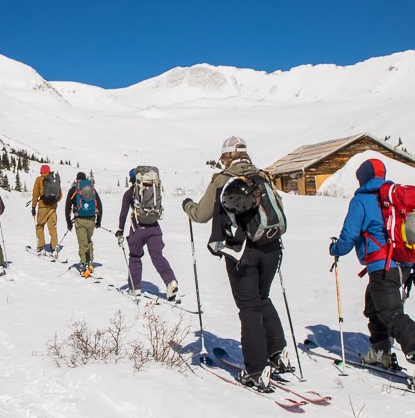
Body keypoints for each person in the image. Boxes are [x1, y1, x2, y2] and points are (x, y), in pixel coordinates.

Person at [183, 136, 290, 391]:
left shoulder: (222, 180)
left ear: (226, 156)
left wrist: (187, 206)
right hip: (272, 248)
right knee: (262, 298)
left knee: (249, 307)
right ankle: (277, 352)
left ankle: (255, 369)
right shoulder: (262, 177)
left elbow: (201, 214)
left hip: (243, 253)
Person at [328, 158, 415, 385]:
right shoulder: (395, 199)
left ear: (362, 178)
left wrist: (335, 249)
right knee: (373, 306)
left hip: (383, 266)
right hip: (404, 265)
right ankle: (381, 353)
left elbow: (350, 235)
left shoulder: (362, 200)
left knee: (391, 314)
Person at [116, 168, 179, 300]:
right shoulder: (153, 190)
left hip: (137, 229)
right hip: (154, 228)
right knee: (157, 256)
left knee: (135, 257)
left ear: (132, 179)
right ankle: (170, 281)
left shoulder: (129, 193)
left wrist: (120, 230)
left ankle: (135, 288)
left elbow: (123, 213)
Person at [64, 172, 103, 276]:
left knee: (82, 243)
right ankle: (90, 262)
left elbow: (67, 206)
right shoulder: (92, 189)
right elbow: (99, 205)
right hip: (91, 220)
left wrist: (68, 222)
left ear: (77, 180)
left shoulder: (74, 190)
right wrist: (99, 221)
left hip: (80, 220)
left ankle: (83, 265)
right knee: (88, 241)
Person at [31, 164, 62, 256]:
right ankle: (54, 247)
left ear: (41, 171)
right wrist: (54, 201)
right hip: (53, 207)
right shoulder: (54, 180)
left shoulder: (39, 179)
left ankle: (41, 246)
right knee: (52, 227)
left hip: (42, 206)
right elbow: (60, 195)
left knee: (40, 226)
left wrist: (33, 207)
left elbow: (35, 194)